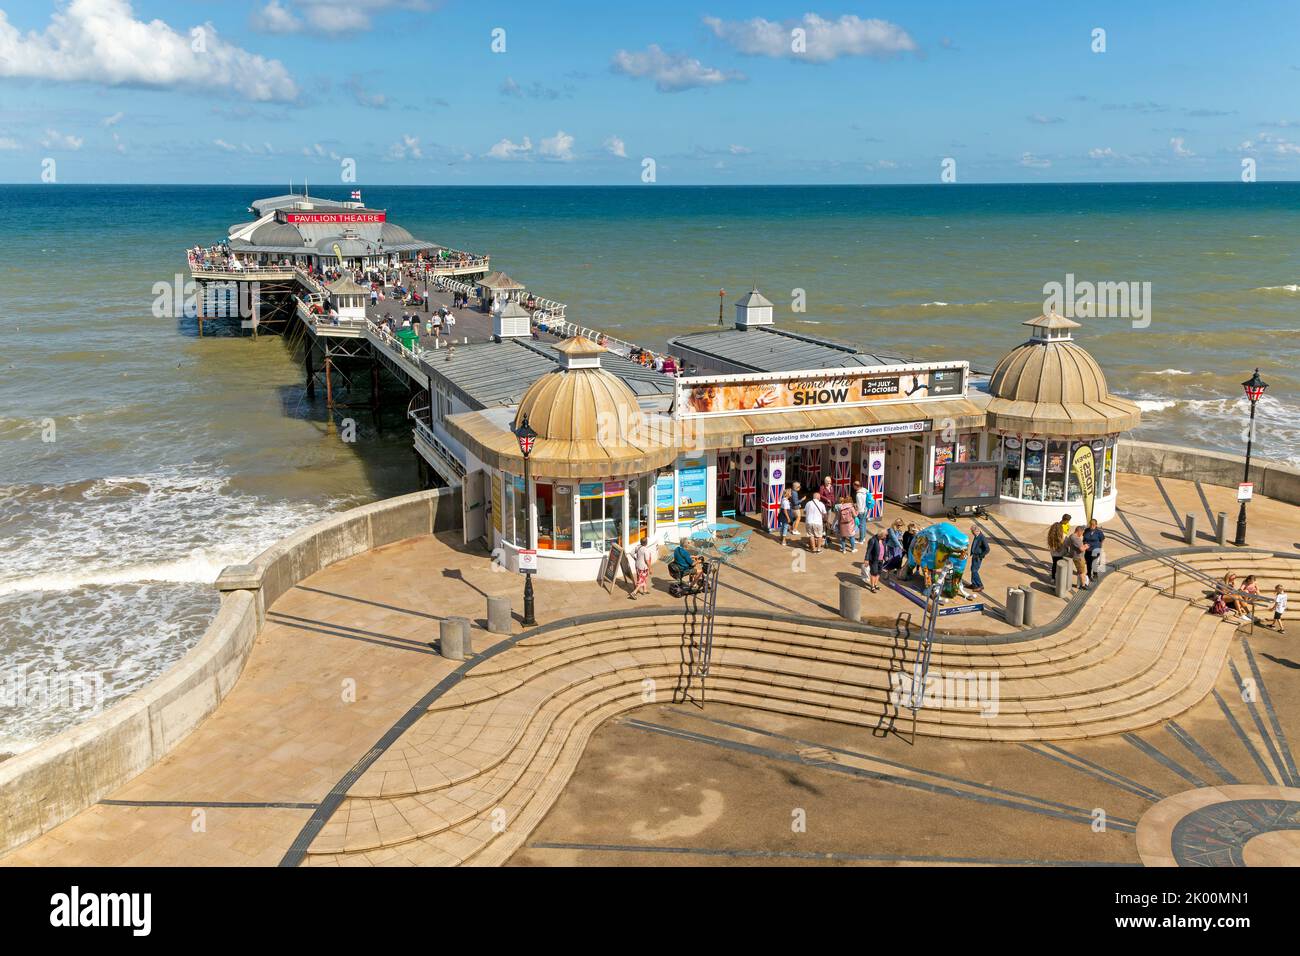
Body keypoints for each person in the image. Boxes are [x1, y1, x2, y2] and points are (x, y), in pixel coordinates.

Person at [862, 529, 887, 593]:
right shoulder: (872, 540)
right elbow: (868, 551)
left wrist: (885, 556)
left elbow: (884, 549)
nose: (886, 537)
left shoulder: (883, 540)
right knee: (874, 573)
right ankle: (872, 586)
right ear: (881, 535)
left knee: (879, 572)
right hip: (874, 560)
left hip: (881, 560)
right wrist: (866, 559)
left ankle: (875, 585)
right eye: (885, 535)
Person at [968, 524, 990, 592]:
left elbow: (987, 549)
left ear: (976, 531)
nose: (972, 533)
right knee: (972, 569)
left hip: (978, 557)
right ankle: (974, 584)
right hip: (974, 556)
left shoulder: (982, 538)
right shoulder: (976, 536)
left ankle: (980, 585)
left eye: (972, 532)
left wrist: (980, 556)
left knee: (974, 571)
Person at [853, 481, 869, 545]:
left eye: (854, 485)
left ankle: (861, 540)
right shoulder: (865, 490)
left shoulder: (858, 495)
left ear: (856, 486)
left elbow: (859, 505)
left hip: (861, 511)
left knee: (861, 526)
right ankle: (863, 537)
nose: (853, 487)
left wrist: (855, 506)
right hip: (866, 509)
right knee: (864, 524)